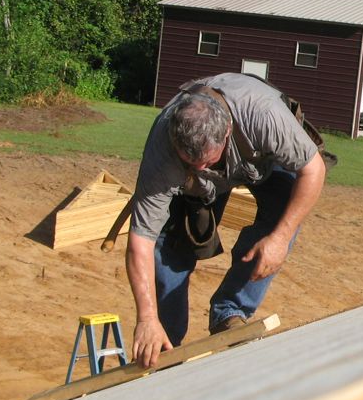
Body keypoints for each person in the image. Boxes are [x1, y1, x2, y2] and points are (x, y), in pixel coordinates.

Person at [126, 72, 327, 367]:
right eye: (191, 162)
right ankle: (164, 341)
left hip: (263, 161)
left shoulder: (264, 115)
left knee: (286, 213)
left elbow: (314, 170)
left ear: (227, 132)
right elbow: (141, 239)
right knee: (173, 245)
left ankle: (229, 313)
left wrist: (280, 238)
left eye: (208, 161)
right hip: (200, 183)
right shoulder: (165, 150)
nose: (202, 167)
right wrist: (146, 318)